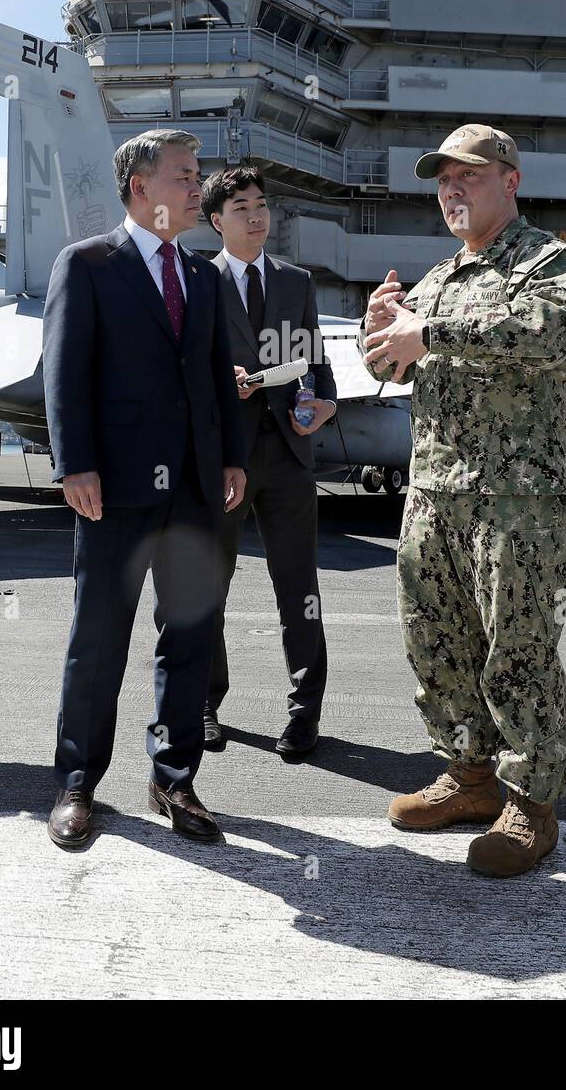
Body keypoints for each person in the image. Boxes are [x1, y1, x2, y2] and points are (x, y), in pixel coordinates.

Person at [360, 124, 566, 878]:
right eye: (443, 180)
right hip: (434, 495)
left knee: (518, 651)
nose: (452, 190)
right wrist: (379, 335)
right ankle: (470, 776)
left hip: (518, 499)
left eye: (469, 176)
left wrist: (428, 330)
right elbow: (393, 367)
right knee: (438, 645)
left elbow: (543, 332)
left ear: (509, 181)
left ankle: (532, 804)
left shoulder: (546, 263)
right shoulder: (434, 279)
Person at [42, 128, 247, 850]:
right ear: (141, 188)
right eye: (185, 177)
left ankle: (174, 776)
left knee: (188, 636)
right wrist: (75, 464)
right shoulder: (88, 265)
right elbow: (64, 375)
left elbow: (218, 379)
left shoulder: (203, 277)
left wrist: (231, 458)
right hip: (115, 488)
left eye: (198, 177)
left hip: (193, 486)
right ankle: (76, 784)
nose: (199, 189)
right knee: (98, 637)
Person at [200, 166, 336, 757]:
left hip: (286, 454)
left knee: (298, 587)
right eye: (240, 208)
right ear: (215, 221)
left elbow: (315, 361)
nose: (256, 216)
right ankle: (202, 704)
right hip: (220, 456)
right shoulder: (195, 282)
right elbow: (174, 370)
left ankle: (304, 713)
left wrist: (324, 402)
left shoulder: (296, 282)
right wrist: (216, 381)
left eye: (261, 205)